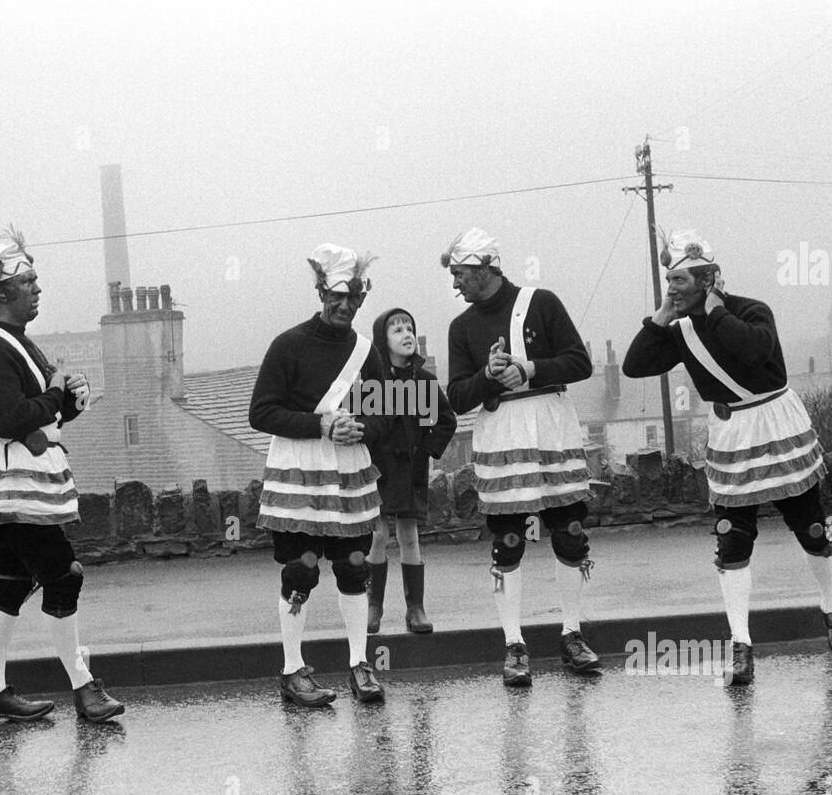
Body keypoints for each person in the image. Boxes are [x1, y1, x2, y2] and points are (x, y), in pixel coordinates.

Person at [622, 230, 832, 686]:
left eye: (681, 280)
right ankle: (741, 643)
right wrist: (661, 317)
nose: (672, 287)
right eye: (669, 280)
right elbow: (635, 366)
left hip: (775, 422)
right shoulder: (678, 328)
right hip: (731, 431)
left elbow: (752, 349)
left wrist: (715, 310)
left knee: (810, 526)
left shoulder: (751, 310)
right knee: (731, 539)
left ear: (708, 280)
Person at [0, 226, 124, 724]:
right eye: (29, 281)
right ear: (2, 291)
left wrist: (69, 400)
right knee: (63, 574)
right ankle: (83, 686)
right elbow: (12, 419)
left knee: (13, 578)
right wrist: (55, 394)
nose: (38, 288)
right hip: (13, 478)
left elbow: (42, 416)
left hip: (26, 474)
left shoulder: (19, 343)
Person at [443, 227, 602, 686]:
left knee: (570, 532)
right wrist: (489, 376)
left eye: (460, 275)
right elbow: (456, 397)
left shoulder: (542, 302)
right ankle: (514, 644)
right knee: (508, 539)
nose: (455, 285)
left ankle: (572, 634)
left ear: (483, 269)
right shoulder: (462, 327)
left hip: (551, 423)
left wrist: (529, 369)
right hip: (502, 431)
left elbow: (579, 362)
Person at [249, 244, 391, 706]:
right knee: (301, 569)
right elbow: (262, 412)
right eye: (336, 297)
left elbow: (388, 414)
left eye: (353, 299)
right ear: (320, 292)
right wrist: (321, 424)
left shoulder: (366, 353)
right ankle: (292, 671)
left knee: (354, 567)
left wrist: (362, 427)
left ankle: (359, 665)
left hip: (348, 470)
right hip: (299, 471)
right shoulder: (287, 345)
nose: (344, 306)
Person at [365, 307, 457, 634]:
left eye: (409, 328)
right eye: (397, 330)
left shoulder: (424, 382)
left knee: (409, 535)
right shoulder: (371, 383)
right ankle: (372, 607)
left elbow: (446, 422)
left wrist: (427, 449)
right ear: (382, 340)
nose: (406, 334)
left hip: (410, 470)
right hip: (378, 470)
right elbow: (361, 424)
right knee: (377, 534)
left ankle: (415, 608)